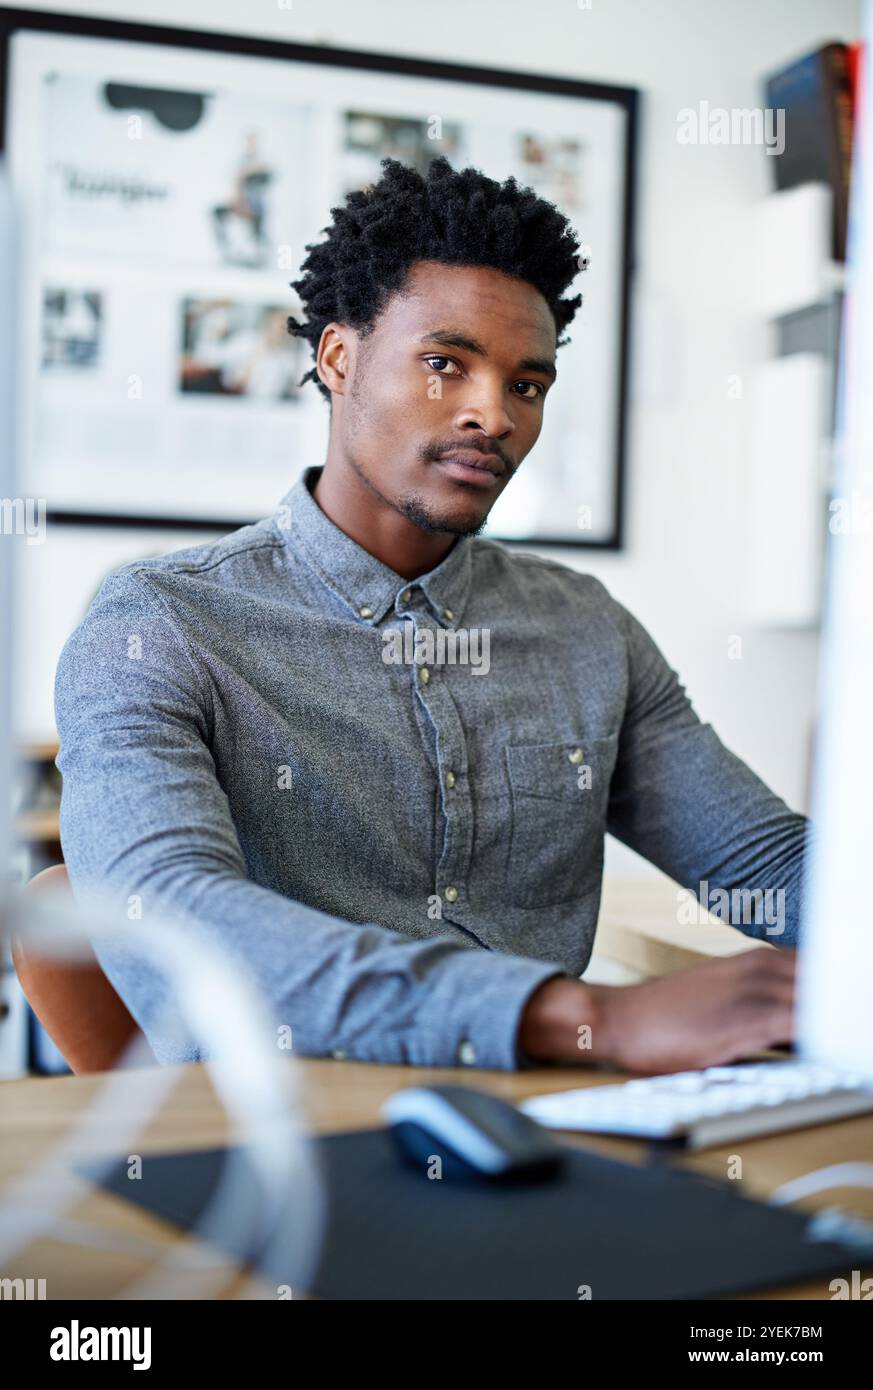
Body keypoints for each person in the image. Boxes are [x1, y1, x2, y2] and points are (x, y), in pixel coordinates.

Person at [55, 157, 802, 1073]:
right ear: (337, 358)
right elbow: (166, 913)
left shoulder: (584, 629)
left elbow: (762, 861)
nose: (492, 413)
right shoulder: (159, 625)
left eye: (527, 386)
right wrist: (591, 1020)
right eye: (445, 365)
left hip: (547, 1129)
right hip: (290, 1153)